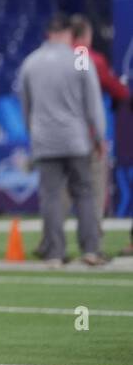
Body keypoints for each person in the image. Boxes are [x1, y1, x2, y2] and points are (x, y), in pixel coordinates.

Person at [19, 14, 107, 267]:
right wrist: (99, 136)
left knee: (51, 197)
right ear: (69, 34)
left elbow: (26, 107)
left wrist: (33, 134)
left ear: (48, 34)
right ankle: (90, 250)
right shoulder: (80, 59)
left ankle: (54, 253)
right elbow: (93, 104)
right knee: (85, 194)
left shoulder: (31, 62)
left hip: (44, 140)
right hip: (76, 139)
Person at [70, 14, 128, 227]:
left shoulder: (55, 57)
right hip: (86, 134)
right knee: (93, 189)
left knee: (59, 190)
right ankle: (92, 236)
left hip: (60, 135)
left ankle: (53, 237)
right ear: (86, 35)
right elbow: (109, 90)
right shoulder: (86, 57)